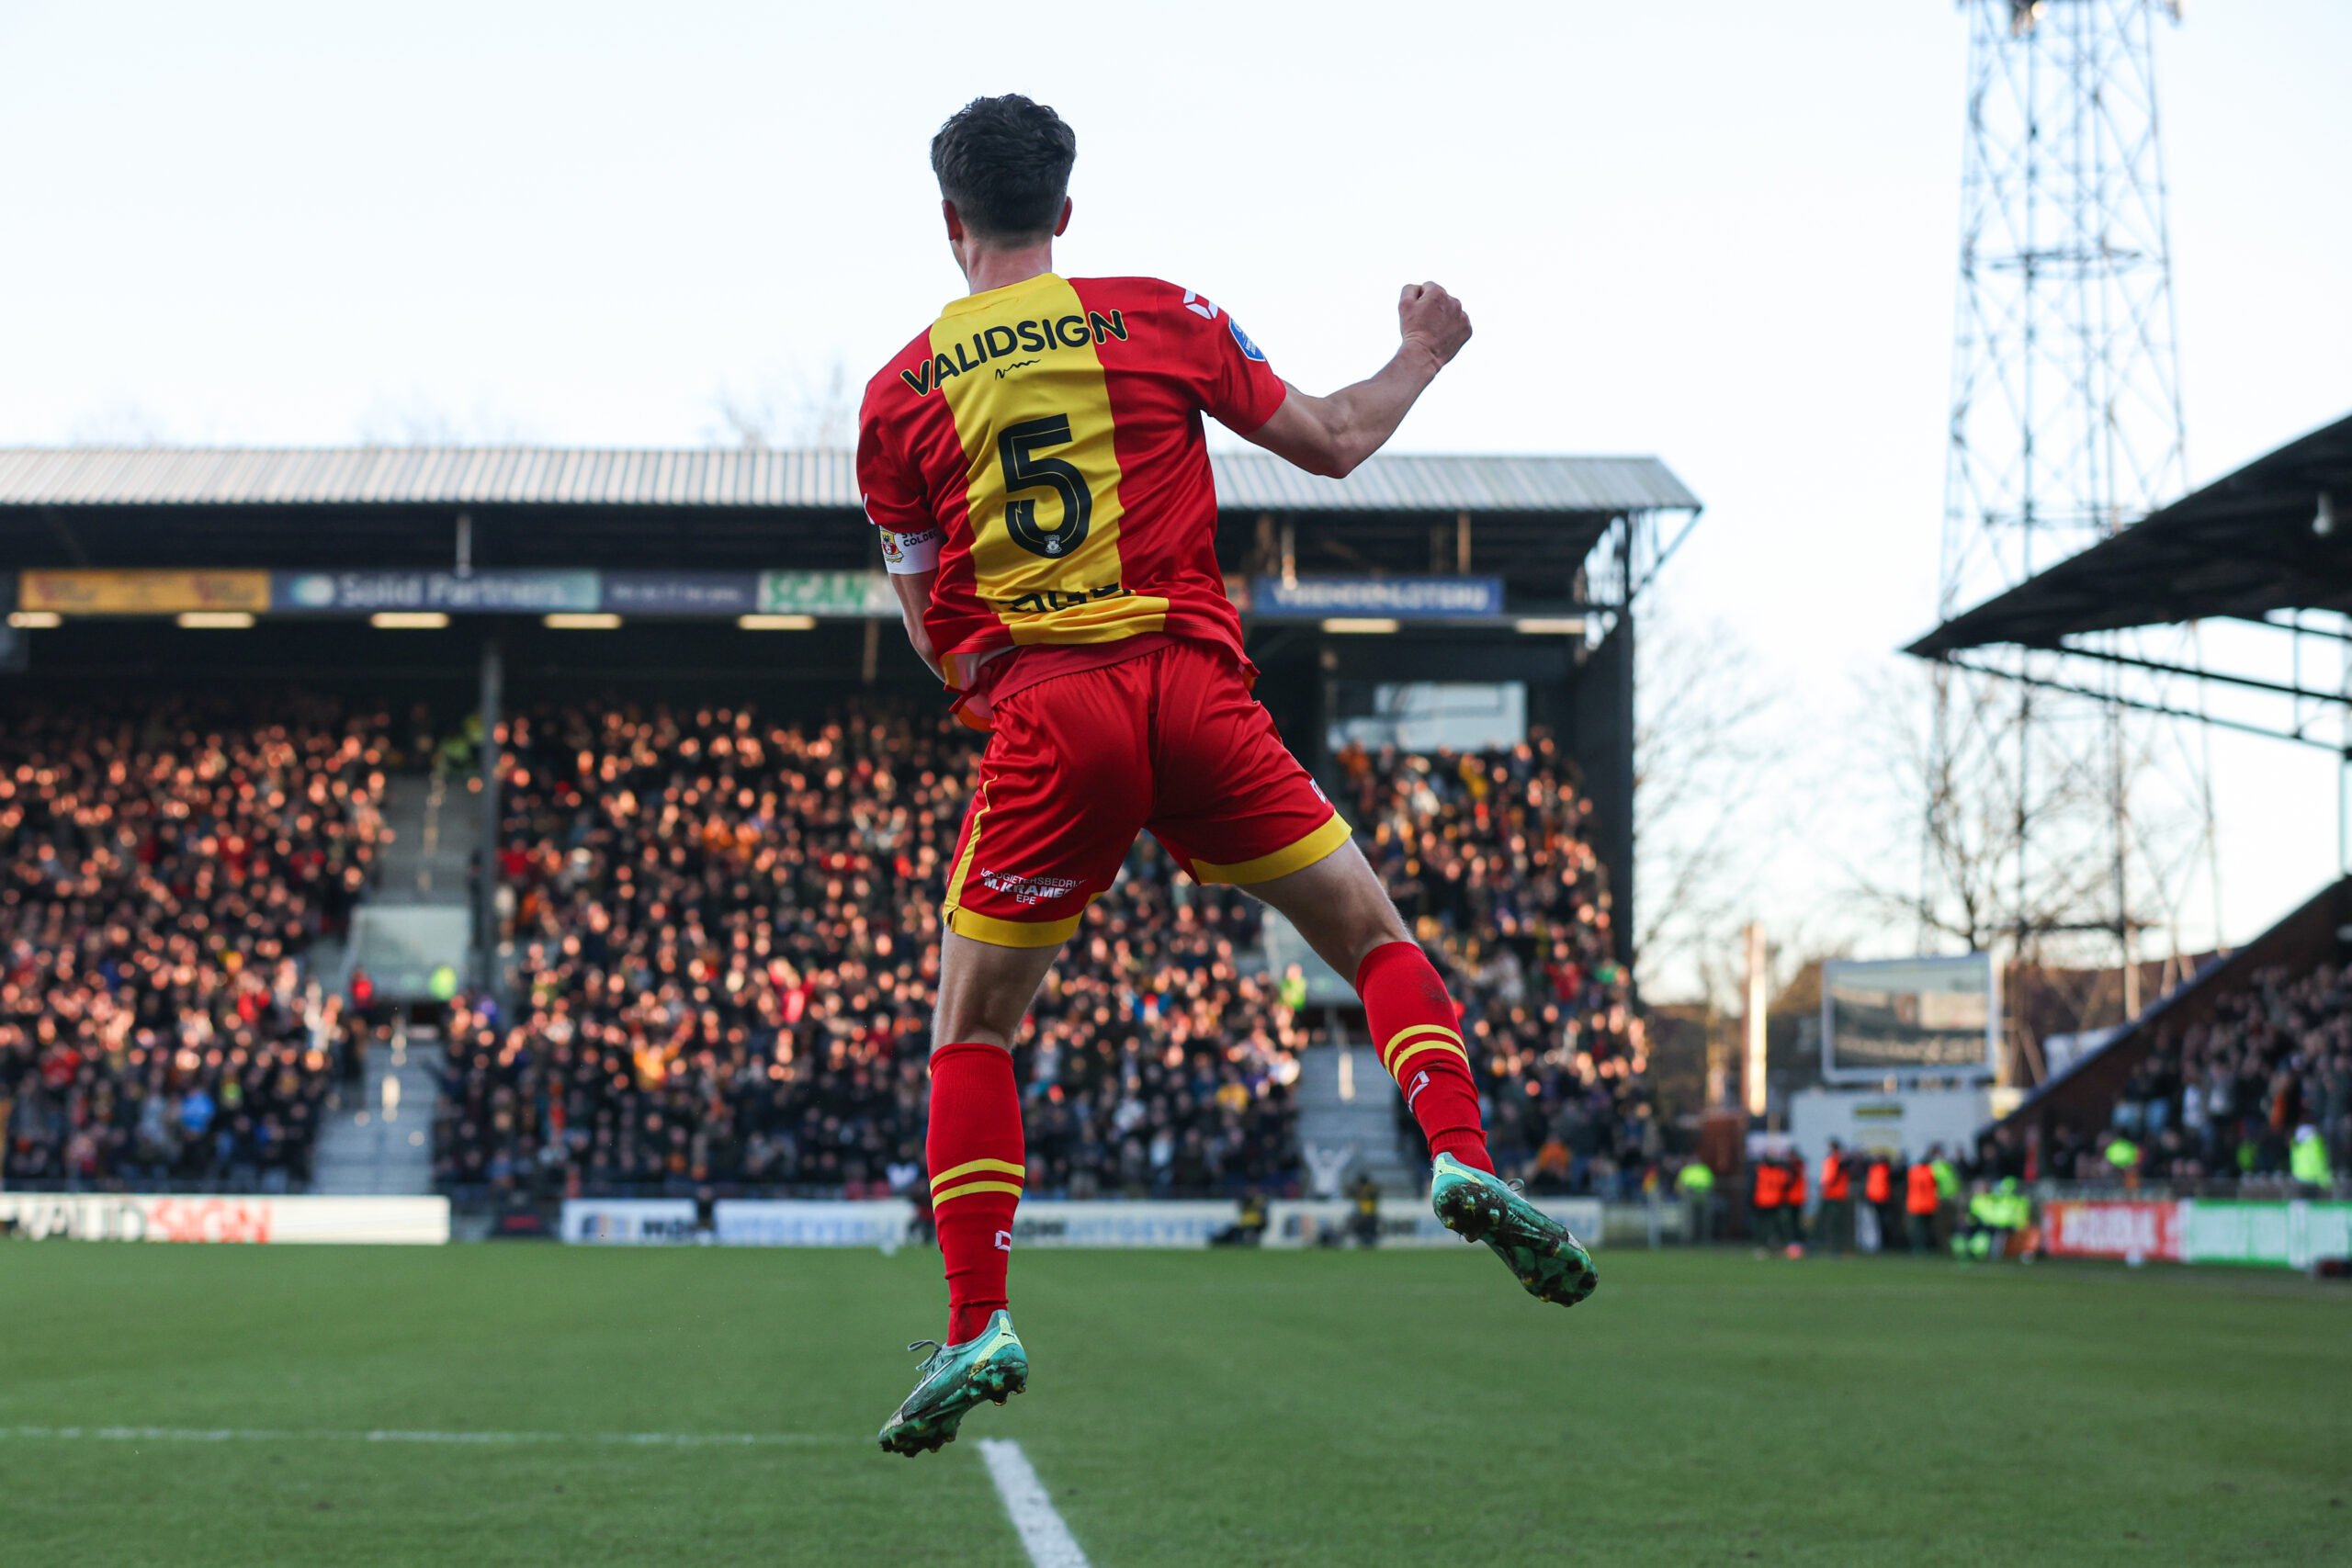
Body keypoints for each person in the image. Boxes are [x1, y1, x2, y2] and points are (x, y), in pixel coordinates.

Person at [862, 96, 1596, 1458]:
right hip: (1196, 694)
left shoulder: (898, 396)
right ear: (1067, 215)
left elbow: (927, 632)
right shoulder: (1160, 313)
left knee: (974, 1027)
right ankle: (1462, 1152)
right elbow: (1331, 437)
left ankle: (980, 1318)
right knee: (1371, 935)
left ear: (950, 220)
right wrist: (1421, 350)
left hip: (1052, 719)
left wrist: (998, 684)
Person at [1815, 1140, 1851, 1258]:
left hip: (1835, 1195)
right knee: (1829, 1223)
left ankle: (1836, 1248)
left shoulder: (1838, 1159)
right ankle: (1829, 1247)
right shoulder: (1833, 1159)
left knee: (1835, 1223)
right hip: (1829, 1194)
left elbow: (1831, 1177)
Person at [1749, 1151, 1788, 1254]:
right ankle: (1769, 1245)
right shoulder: (1779, 1172)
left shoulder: (1760, 1171)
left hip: (1764, 1202)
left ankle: (1765, 1245)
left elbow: (1753, 1186)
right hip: (1772, 1202)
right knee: (1770, 1226)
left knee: (1764, 1226)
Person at [1675, 1155, 1715, 1245]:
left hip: (1701, 1194)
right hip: (1693, 1194)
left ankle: (1700, 1237)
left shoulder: (1690, 1170)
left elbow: (1710, 1182)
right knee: (1692, 1218)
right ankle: (1691, 1237)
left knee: (1700, 1218)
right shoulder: (1701, 1169)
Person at [1905, 1154, 1939, 1257]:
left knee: (1917, 1229)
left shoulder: (1913, 1172)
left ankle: (1917, 1247)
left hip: (1915, 1204)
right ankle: (1926, 1247)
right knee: (1927, 1228)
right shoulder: (1932, 1172)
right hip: (1929, 1204)